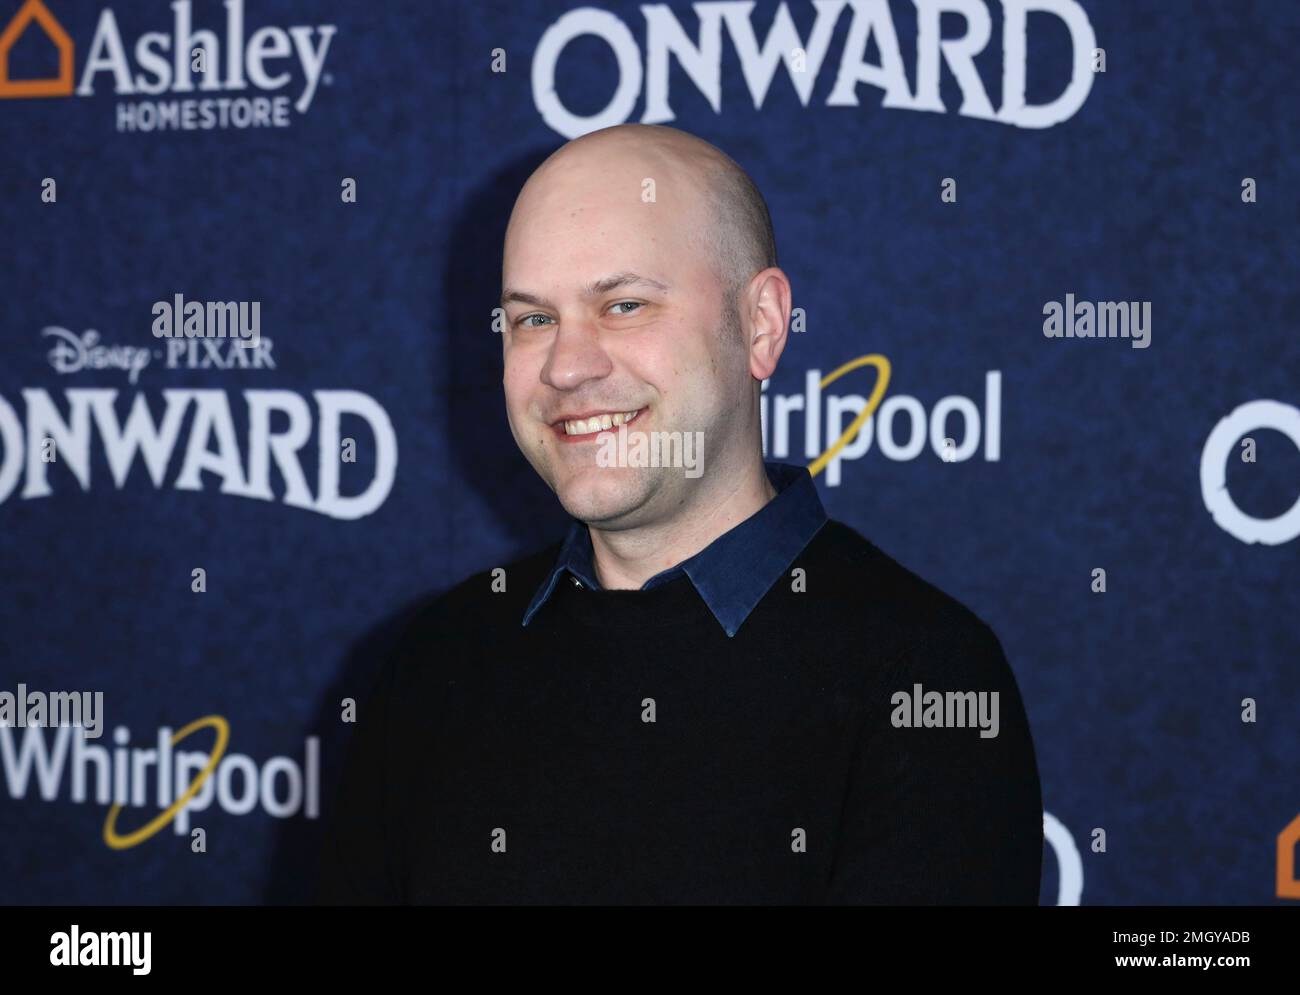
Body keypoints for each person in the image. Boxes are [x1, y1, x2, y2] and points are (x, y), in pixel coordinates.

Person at [316, 123, 1042, 904]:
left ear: (760, 325)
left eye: (623, 305)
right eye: (532, 319)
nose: (567, 365)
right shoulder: (438, 660)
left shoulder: (926, 682)